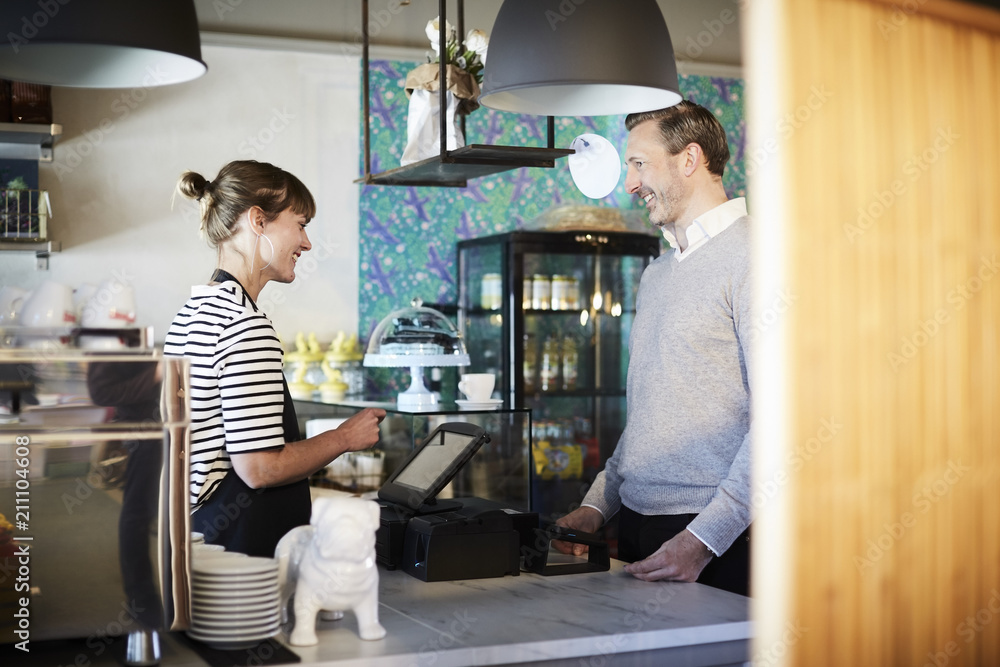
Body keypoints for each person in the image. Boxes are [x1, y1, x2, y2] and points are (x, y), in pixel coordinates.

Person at [556, 101, 753, 596]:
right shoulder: (658, 273)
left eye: (639, 164)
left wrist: (703, 541)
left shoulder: (758, 255)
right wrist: (598, 506)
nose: (630, 184)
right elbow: (648, 414)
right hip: (638, 528)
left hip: (718, 536)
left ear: (689, 160)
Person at [164, 160, 385, 558]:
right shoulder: (243, 324)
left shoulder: (193, 312)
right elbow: (259, 468)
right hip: (239, 546)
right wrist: (344, 438)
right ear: (258, 221)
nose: (307, 243)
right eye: (301, 224)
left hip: (200, 533)